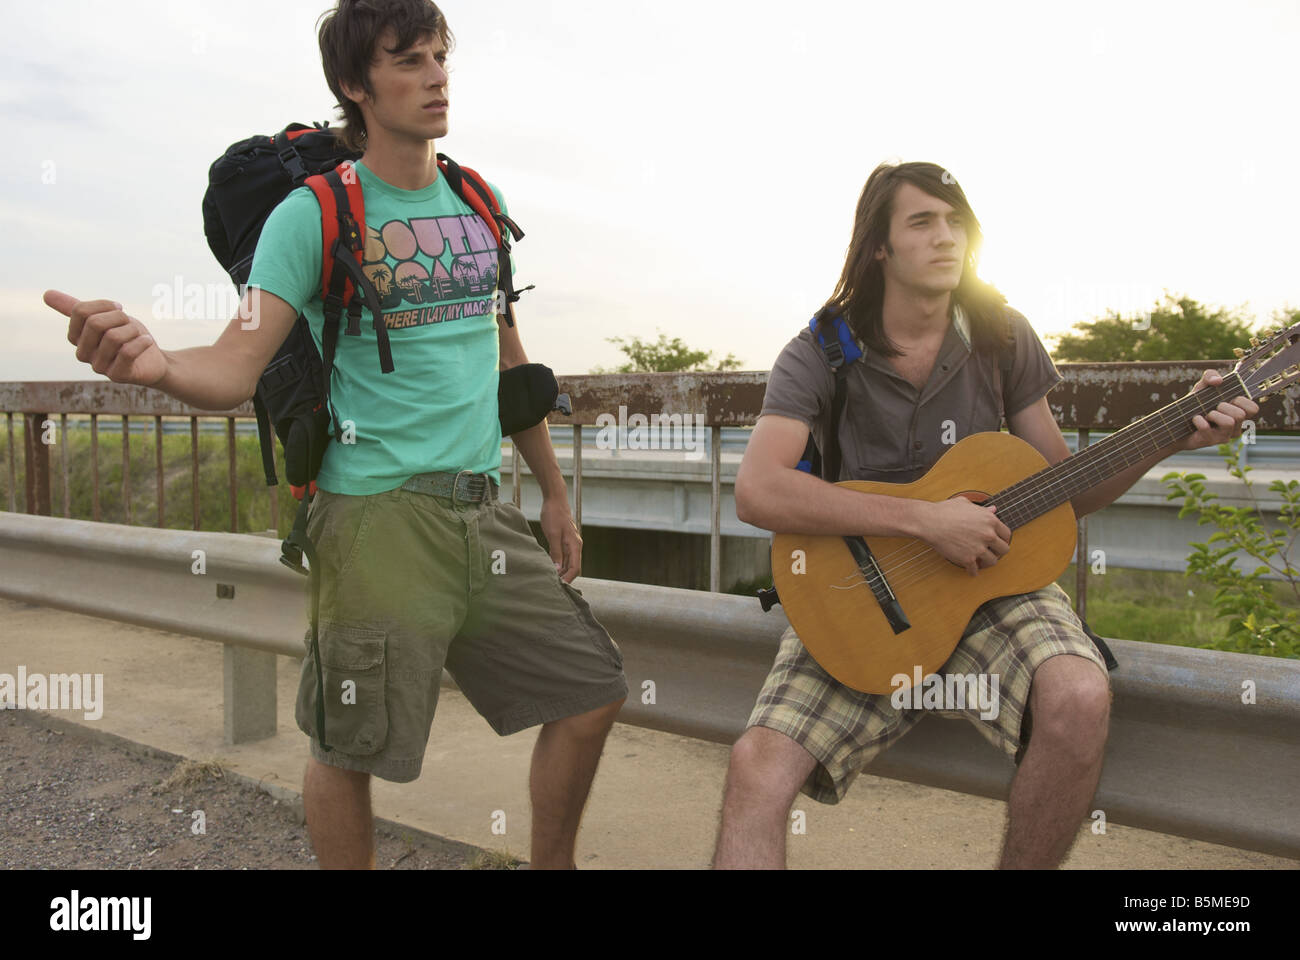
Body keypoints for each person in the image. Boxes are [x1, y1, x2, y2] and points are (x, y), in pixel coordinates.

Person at [45, 0, 626, 870]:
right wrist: (155, 364)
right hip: (375, 521)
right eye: (407, 61)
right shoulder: (312, 215)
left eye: (439, 57)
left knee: (590, 694)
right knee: (348, 751)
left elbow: (510, 363)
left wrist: (551, 488)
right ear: (355, 86)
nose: (435, 77)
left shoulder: (477, 199)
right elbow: (237, 361)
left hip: (484, 514)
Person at [712, 160, 1257, 869]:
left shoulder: (1001, 334)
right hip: (860, 596)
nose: (947, 237)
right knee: (756, 767)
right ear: (879, 245)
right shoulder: (819, 350)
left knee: (1079, 696)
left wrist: (1175, 434)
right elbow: (758, 491)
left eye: (956, 221)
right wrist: (925, 521)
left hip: (995, 585)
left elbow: (1066, 489)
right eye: (922, 222)